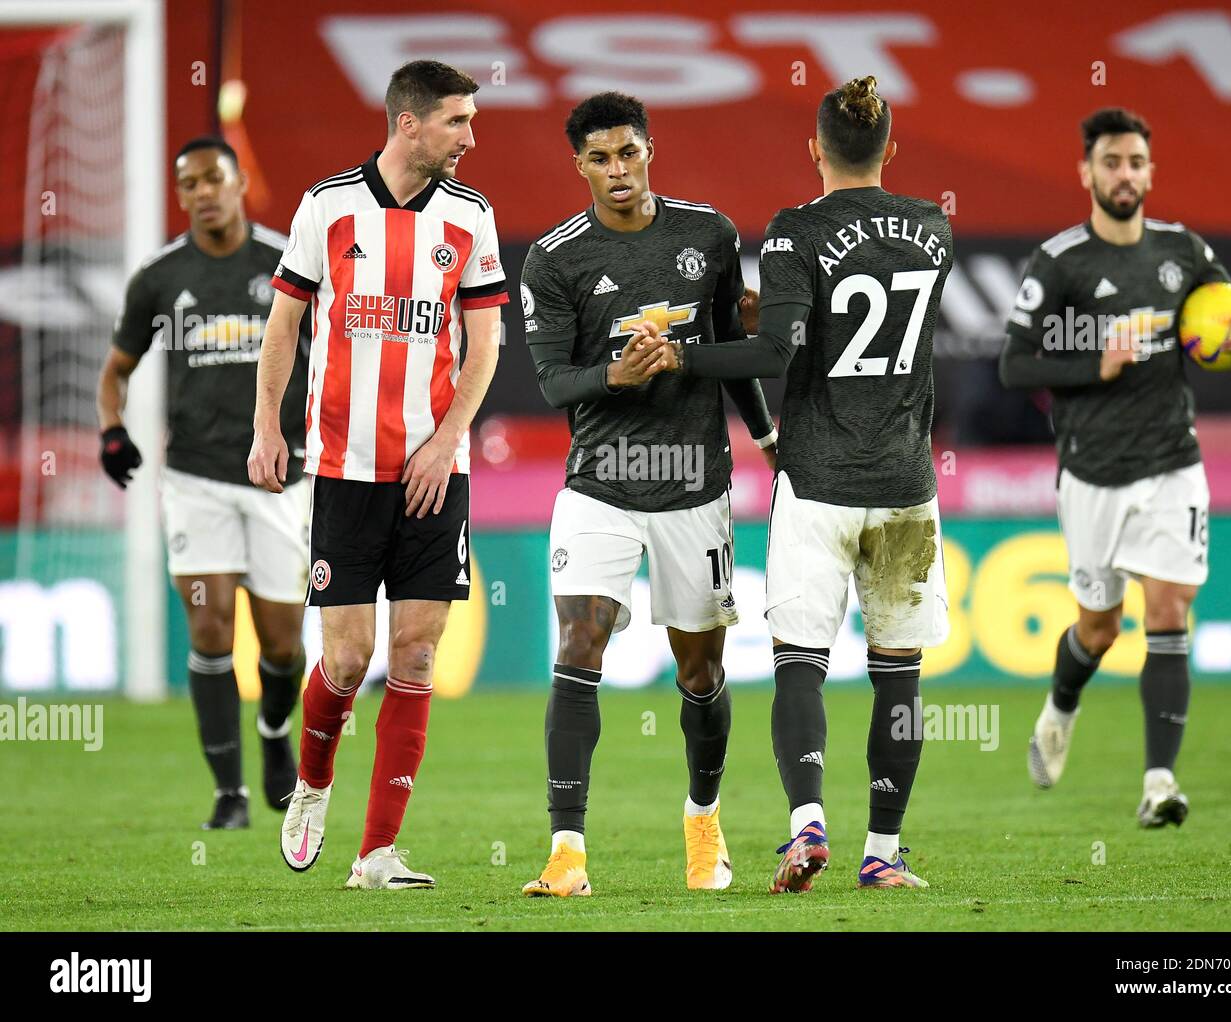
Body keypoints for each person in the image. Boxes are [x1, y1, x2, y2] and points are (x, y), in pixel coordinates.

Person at [644, 76, 953, 892]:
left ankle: (806, 826)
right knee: (900, 673)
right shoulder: (933, 227)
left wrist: (684, 353)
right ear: (892, 149)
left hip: (814, 481)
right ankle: (883, 852)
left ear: (814, 149)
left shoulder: (793, 232)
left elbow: (776, 352)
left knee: (800, 663)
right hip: (904, 483)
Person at [247, 60, 507, 888]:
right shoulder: (327, 206)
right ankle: (312, 785)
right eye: (458, 121)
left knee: (418, 656)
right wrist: (266, 427)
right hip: (343, 470)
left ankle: (376, 854)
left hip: (437, 472)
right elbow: (285, 326)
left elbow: (485, 346)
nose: (472, 136)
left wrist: (446, 441)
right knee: (349, 659)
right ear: (410, 123)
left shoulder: (472, 217)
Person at [519, 92, 777, 897]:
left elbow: (734, 350)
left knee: (700, 673)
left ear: (649, 149)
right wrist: (614, 375)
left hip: (695, 485)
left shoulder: (709, 234)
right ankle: (566, 852)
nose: (617, 170)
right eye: (599, 158)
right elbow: (555, 381)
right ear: (580, 166)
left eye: (628, 152)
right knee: (579, 646)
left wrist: (767, 438)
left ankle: (703, 820)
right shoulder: (553, 259)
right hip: (598, 485)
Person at [1000, 107, 1231, 826]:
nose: (1124, 175)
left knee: (1168, 613)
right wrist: (1096, 364)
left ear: (1150, 173)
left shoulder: (1183, 253)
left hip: (1170, 462)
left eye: (1135, 163)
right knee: (1098, 629)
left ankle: (1160, 782)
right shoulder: (1060, 261)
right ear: (1086, 173)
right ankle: (1060, 708)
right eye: (1111, 163)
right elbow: (1013, 365)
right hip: (1092, 471)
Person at [98, 136, 310, 830]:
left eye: (213, 178)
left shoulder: (287, 260)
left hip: (280, 476)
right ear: (181, 194)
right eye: (188, 184)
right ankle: (230, 793)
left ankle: (276, 736)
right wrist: (112, 427)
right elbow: (117, 369)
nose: (203, 193)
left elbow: (336, 350)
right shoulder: (160, 276)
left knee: (280, 643)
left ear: (240, 179)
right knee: (211, 625)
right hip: (192, 475)